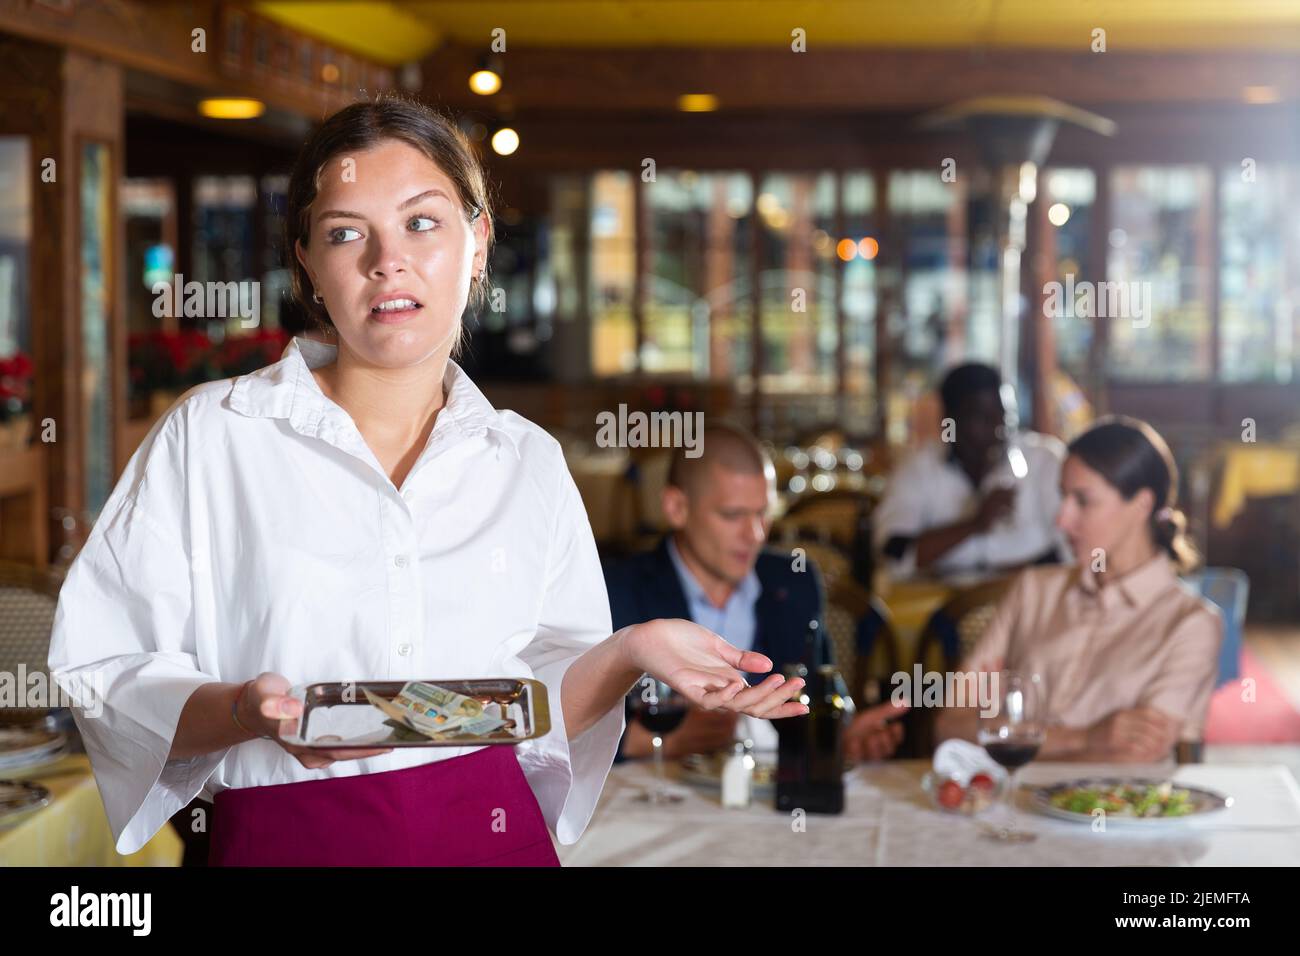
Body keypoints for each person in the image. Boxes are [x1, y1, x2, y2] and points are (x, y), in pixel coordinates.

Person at [46, 97, 807, 867]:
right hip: (287, 845)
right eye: (346, 232)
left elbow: (528, 720)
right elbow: (106, 673)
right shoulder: (213, 435)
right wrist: (244, 710)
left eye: (421, 222)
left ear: (478, 243)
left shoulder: (529, 462)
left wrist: (629, 652)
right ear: (307, 262)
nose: (388, 260)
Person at [604, 422, 904, 765]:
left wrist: (843, 738)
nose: (755, 534)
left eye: (763, 513)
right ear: (676, 507)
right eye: (732, 515)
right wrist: (649, 741)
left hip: (770, 796)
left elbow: (821, 698)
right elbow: (567, 725)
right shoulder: (616, 591)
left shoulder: (794, 582)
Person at [934, 417, 1223, 761]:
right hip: (1008, 794)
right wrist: (1086, 738)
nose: (1062, 519)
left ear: (1142, 505)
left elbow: (1131, 759)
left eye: (1083, 501)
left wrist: (1006, 730)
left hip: (1103, 801)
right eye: (1063, 497)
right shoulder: (1033, 590)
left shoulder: (1191, 624)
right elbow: (948, 728)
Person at [873, 362, 1069, 579]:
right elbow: (895, 555)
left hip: (1030, 592)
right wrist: (975, 524)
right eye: (982, 417)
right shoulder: (918, 470)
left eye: (1002, 416)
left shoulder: (1043, 461)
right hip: (942, 597)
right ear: (949, 420)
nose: (998, 428)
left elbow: (1069, 550)